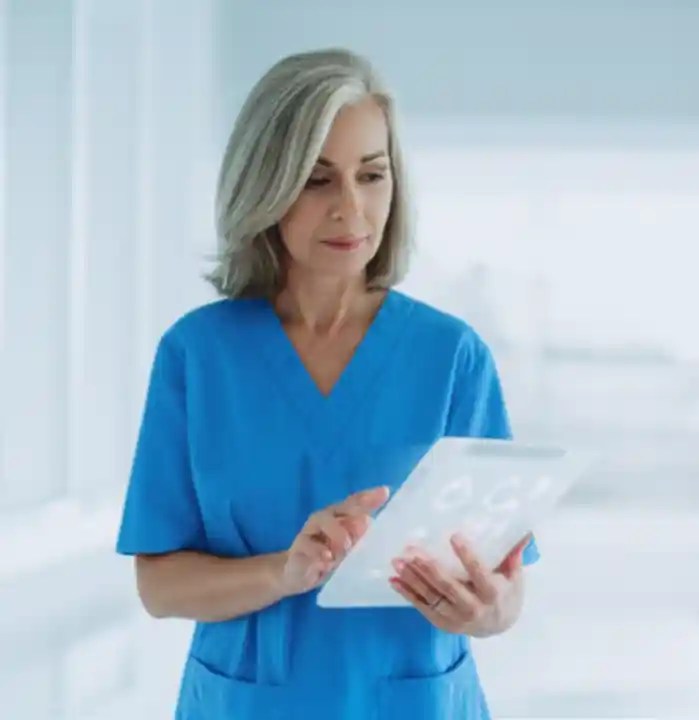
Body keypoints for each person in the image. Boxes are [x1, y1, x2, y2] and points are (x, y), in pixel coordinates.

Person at [115, 48, 538, 719]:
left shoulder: (452, 357)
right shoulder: (196, 357)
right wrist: (284, 572)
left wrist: (487, 612)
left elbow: (507, 588)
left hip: (414, 700)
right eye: (317, 180)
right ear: (266, 184)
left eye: (371, 175)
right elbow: (159, 587)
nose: (351, 208)